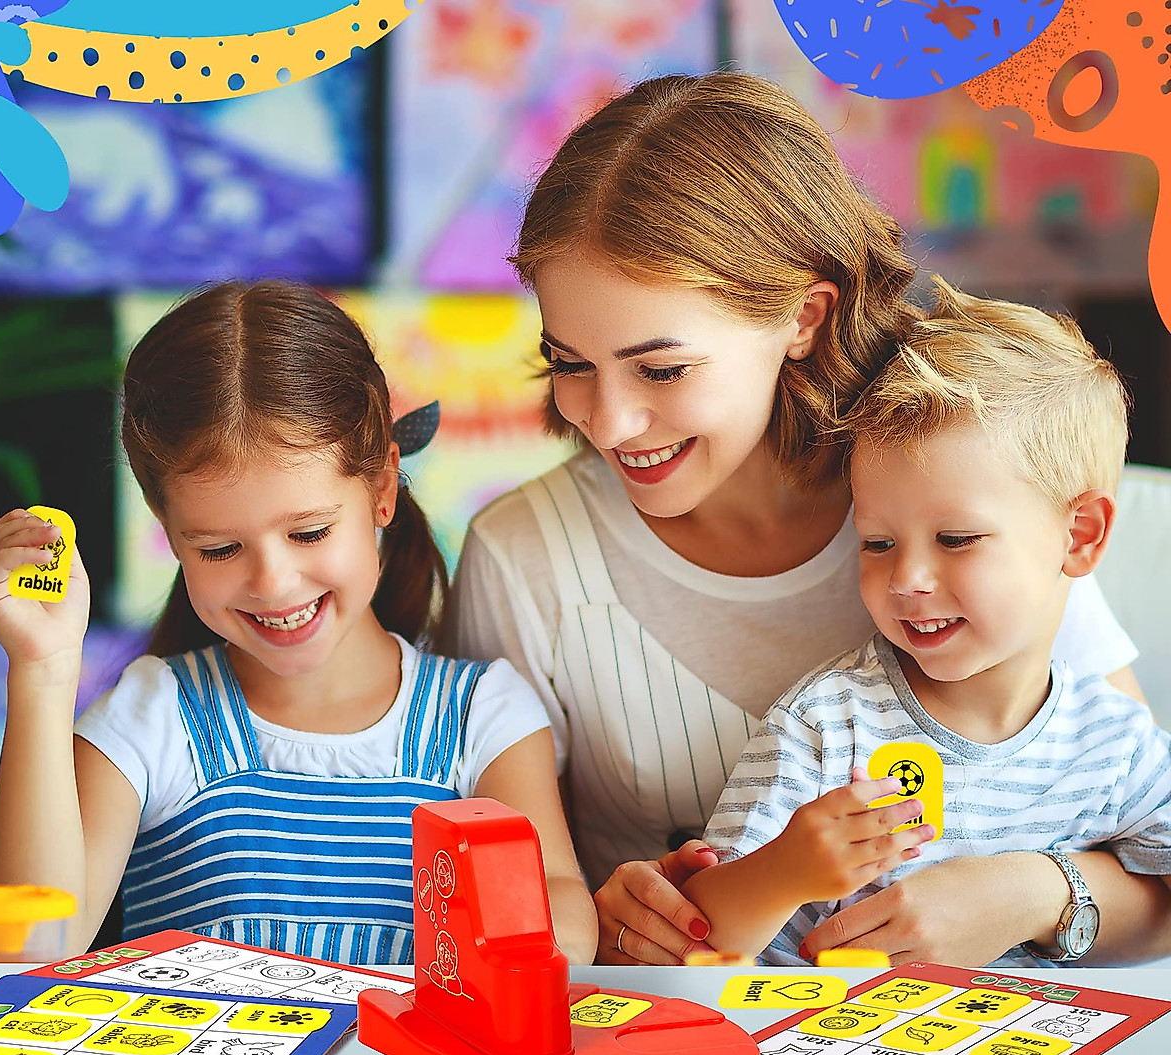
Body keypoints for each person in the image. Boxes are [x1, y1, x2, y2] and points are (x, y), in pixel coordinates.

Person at [448, 71, 1171, 967]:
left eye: (662, 369)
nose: (610, 422)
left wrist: (1034, 893)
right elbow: (516, 906)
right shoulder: (523, 557)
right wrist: (604, 924)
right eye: (571, 362)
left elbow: (1137, 855)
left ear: (804, 316)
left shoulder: (962, 490)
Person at [0, 280, 597, 966]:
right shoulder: (152, 717)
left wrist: (539, 940)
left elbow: (559, 905)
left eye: (308, 533)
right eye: (219, 549)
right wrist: (42, 668)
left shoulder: (483, 716)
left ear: (382, 489)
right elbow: (32, 945)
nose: (272, 582)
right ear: (169, 531)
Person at [690, 280, 1171, 966]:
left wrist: (1044, 893)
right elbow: (698, 945)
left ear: (1080, 535)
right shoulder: (827, 725)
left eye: (956, 539)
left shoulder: (1115, 743)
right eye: (878, 543)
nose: (907, 579)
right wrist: (783, 872)